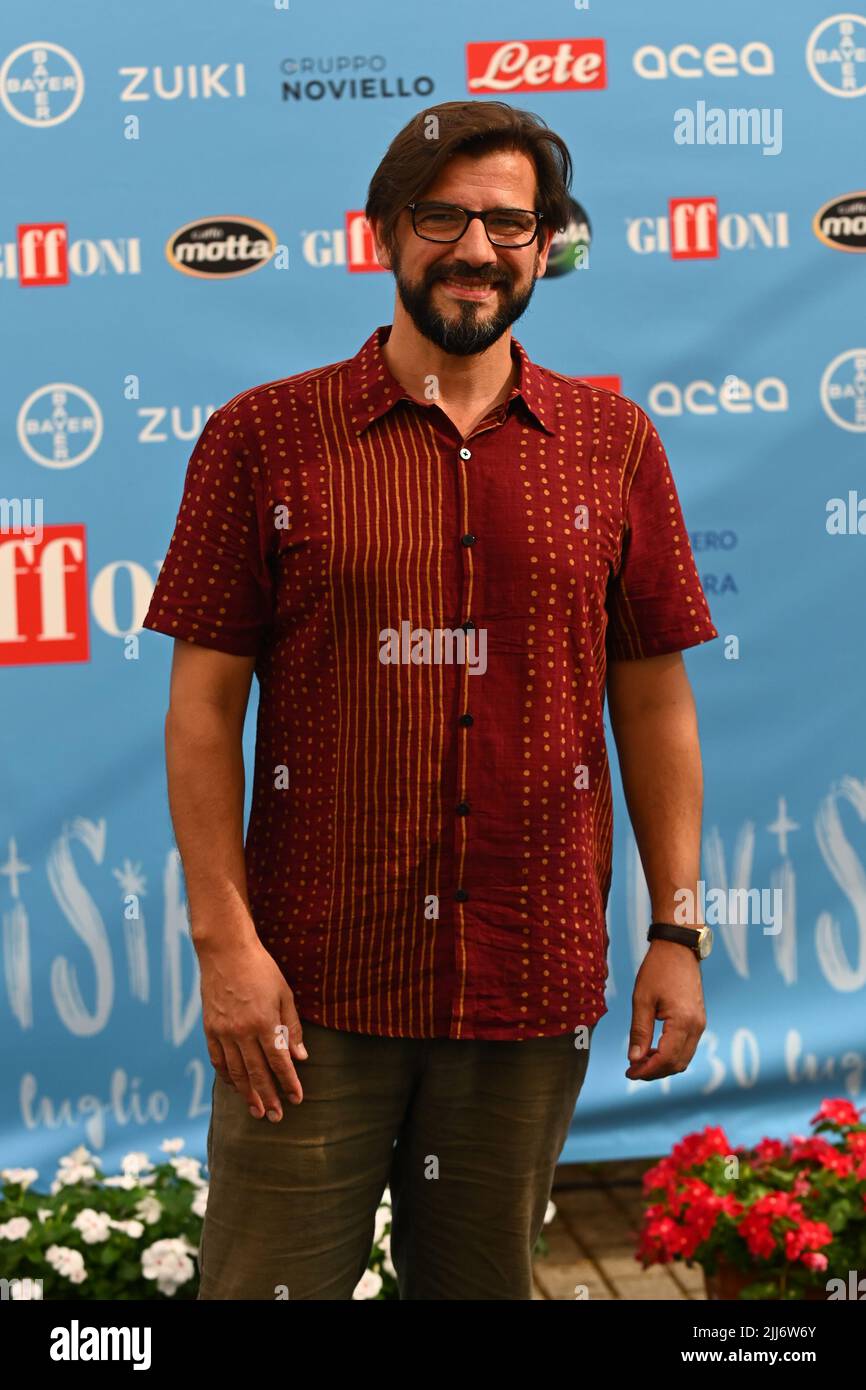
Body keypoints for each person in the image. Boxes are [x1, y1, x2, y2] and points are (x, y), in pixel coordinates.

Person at [142, 99, 718, 1300]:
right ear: (382, 235)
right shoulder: (263, 438)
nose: (474, 249)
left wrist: (676, 928)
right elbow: (202, 712)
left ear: (548, 242)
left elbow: (653, 700)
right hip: (313, 986)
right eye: (440, 216)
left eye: (510, 224)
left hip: (525, 978)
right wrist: (224, 943)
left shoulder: (611, 443)